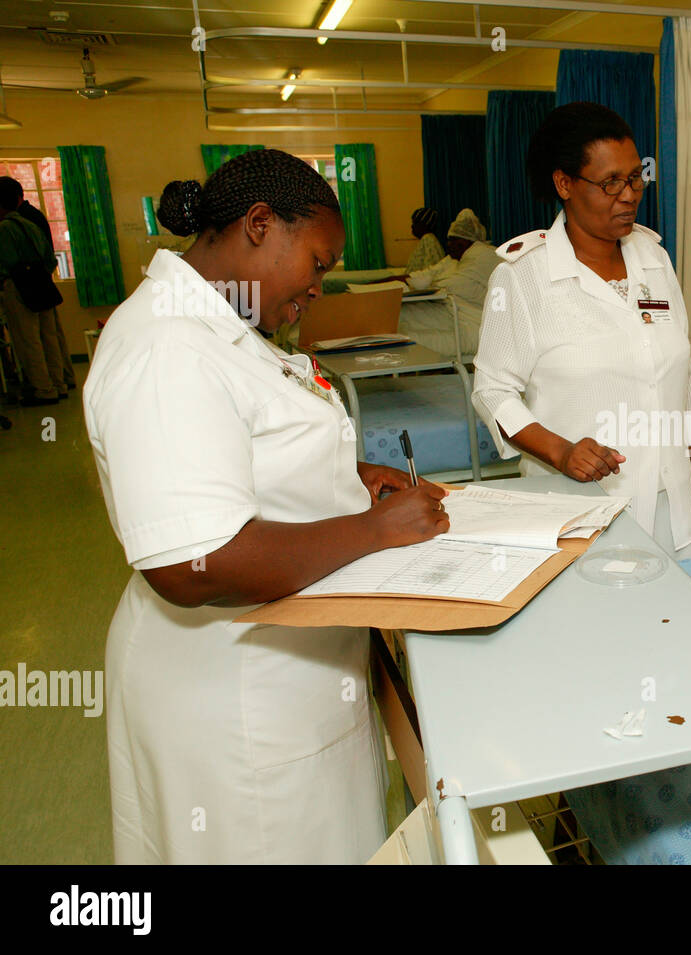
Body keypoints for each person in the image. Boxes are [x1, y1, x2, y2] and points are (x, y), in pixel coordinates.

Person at [83, 149, 450, 863]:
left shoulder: (226, 326)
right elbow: (192, 564)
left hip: (288, 679)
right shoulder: (165, 347)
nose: (319, 287)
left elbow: (240, 453)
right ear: (259, 224)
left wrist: (347, 476)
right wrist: (371, 530)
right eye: (316, 263)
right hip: (234, 701)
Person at [472, 102, 691, 558]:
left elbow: (685, 378)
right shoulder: (524, 276)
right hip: (578, 511)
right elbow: (492, 392)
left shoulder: (655, 260)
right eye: (610, 182)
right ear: (564, 184)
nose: (630, 194)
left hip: (669, 503)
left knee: (675, 623)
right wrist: (560, 451)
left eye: (636, 177)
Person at [0, 176, 79, 396]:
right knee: (49, 337)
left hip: (20, 287)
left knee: (29, 340)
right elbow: (50, 258)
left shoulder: (6, 228)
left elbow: (6, 262)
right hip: (43, 283)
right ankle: (59, 382)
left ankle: (43, 388)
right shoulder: (31, 222)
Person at [405, 206, 446, 274]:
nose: (412, 226)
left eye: (415, 223)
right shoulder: (427, 240)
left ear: (425, 225)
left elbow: (429, 270)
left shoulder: (428, 240)